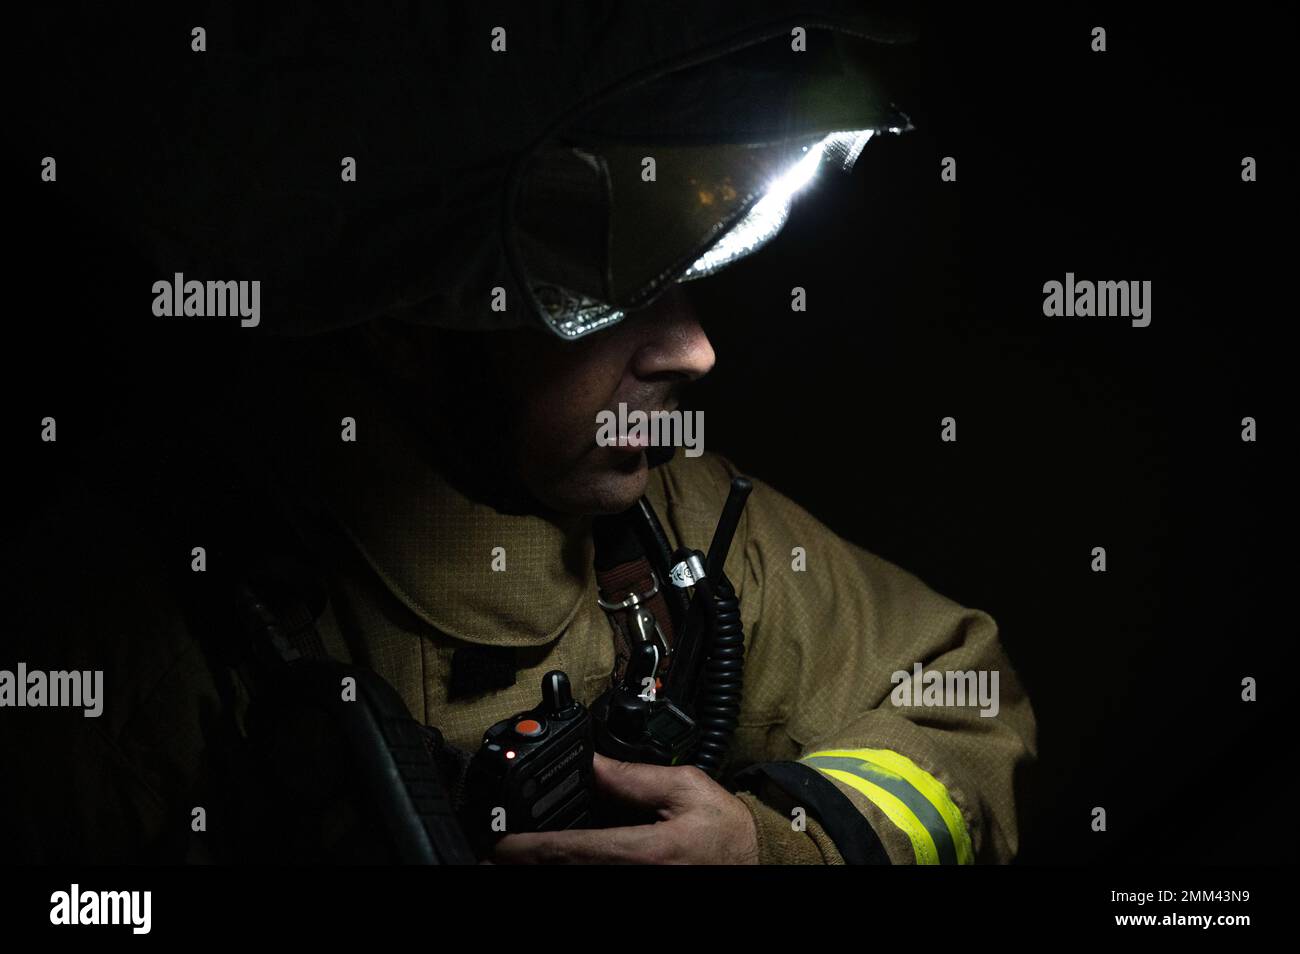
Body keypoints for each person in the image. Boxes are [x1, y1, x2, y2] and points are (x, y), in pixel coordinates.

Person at [5, 3, 1035, 864]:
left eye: (685, 279)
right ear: (416, 326)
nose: (696, 351)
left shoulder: (679, 529)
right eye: (607, 291)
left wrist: (771, 847)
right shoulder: (143, 630)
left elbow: (964, 692)